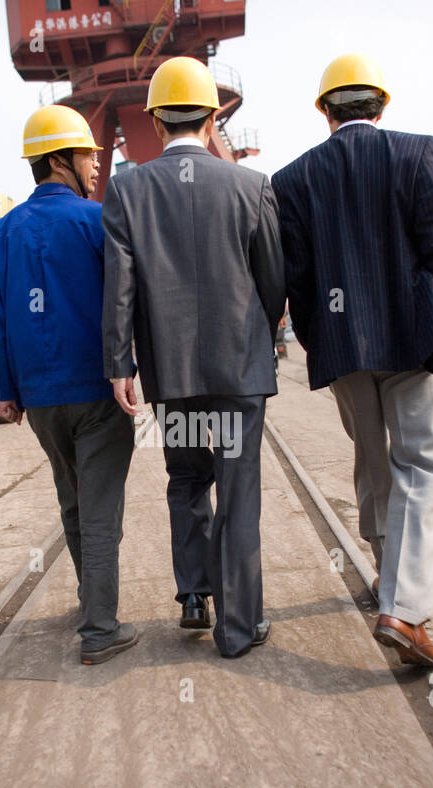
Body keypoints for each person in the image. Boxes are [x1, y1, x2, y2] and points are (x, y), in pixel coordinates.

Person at [271, 54, 433, 668]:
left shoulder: (293, 179)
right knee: (424, 461)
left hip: (344, 343)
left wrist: (318, 337)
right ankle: (405, 611)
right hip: (417, 337)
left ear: (325, 112)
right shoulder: (417, 152)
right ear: (381, 106)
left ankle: (390, 580)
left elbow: (297, 278)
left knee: (373, 462)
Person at [102, 56, 286, 659]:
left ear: (155, 124)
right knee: (238, 489)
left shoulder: (127, 190)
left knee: (186, 480)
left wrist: (120, 365)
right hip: (238, 372)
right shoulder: (252, 186)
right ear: (213, 119)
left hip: (173, 378)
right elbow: (272, 284)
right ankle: (240, 627)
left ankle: (192, 595)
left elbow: (120, 288)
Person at [0, 104, 137, 665]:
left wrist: (5, 389)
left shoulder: (3, 233)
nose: (98, 163)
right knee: (100, 510)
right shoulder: (96, 222)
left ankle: (88, 603)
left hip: (41, 399)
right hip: (97, 392)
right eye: (87, 154)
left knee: (74, 503)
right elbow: (124, 301)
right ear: (59, 160)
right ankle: (100, 628)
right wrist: (130, 368)